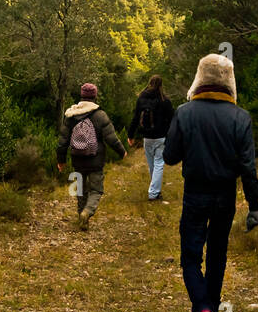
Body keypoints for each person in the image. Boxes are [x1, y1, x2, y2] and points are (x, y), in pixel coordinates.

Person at [163, 53, 258, 312]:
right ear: (230, 82)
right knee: (218, 254)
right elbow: (248, 167)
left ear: (200, 77)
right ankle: (212, 311)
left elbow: (169, 157)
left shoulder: (184, 112)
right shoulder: (240, 117)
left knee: (191, 257)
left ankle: (203, 311)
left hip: (195, 192)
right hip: (225, 195)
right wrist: (254, 205)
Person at [56, 82, 126, 230]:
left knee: (79, 190)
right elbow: (111, 138)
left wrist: (61, 160)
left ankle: (81, 217)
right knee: (96, 190)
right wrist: (122, 152)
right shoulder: (100, 115)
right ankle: (87, 212)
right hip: (96, 160)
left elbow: (63, 141)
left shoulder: (70, 115)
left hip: (77, 160)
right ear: (95, 96)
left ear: (81, 95)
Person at [129, 75, 175, 201]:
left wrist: (130, 135)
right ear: (161, 85)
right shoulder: (165, 100)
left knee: (152, 165)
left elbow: (135, 118)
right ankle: (154, 193)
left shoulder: (141, 99)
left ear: (149, 83)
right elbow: (172, 120)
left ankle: (155, 190)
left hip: (147, 137)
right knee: (159, 164)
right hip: (161, 138)